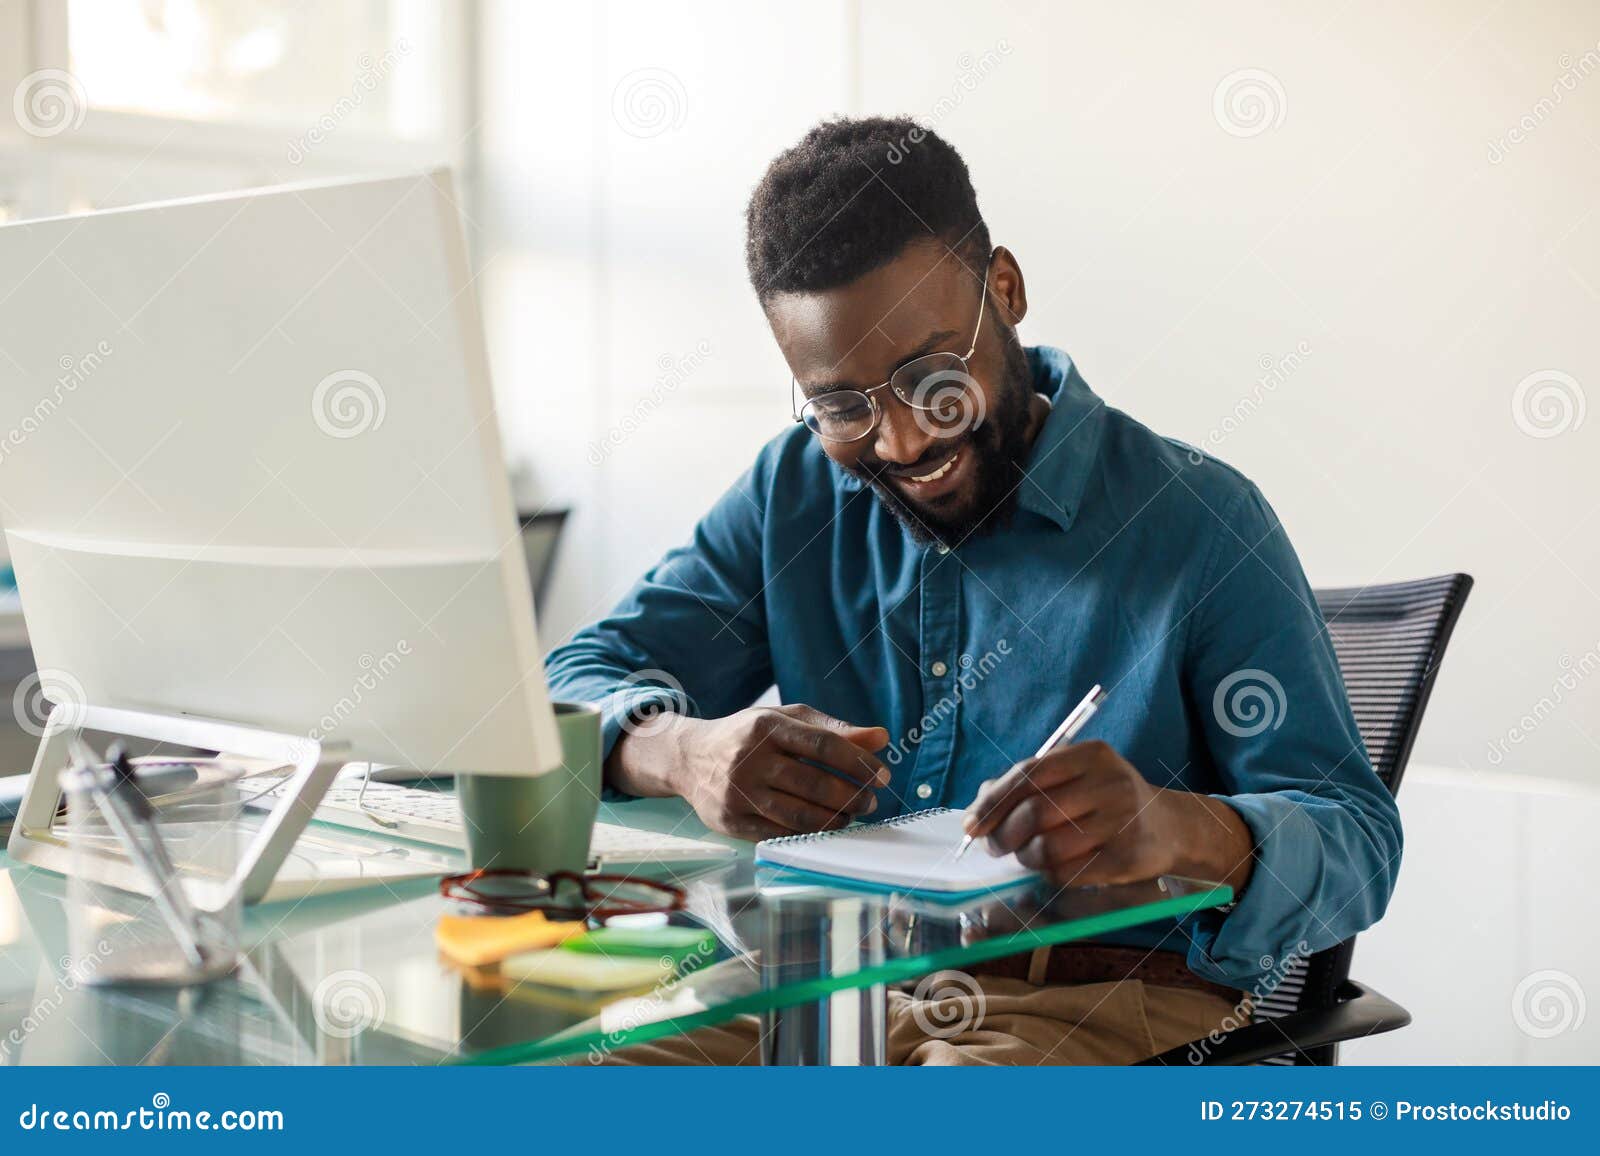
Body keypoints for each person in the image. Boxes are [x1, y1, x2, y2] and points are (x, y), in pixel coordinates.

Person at [544, 116, 1401, 1065]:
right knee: (552, 1058)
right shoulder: (793, 492)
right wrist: (683, 750)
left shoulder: (1199, 520)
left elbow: (1357, 840)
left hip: (1098, 1005)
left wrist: (1177, 827)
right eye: (842, 404)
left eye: (934, 377)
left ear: (1005, 288)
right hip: (829, 982)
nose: (904, 442)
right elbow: (569, 680)